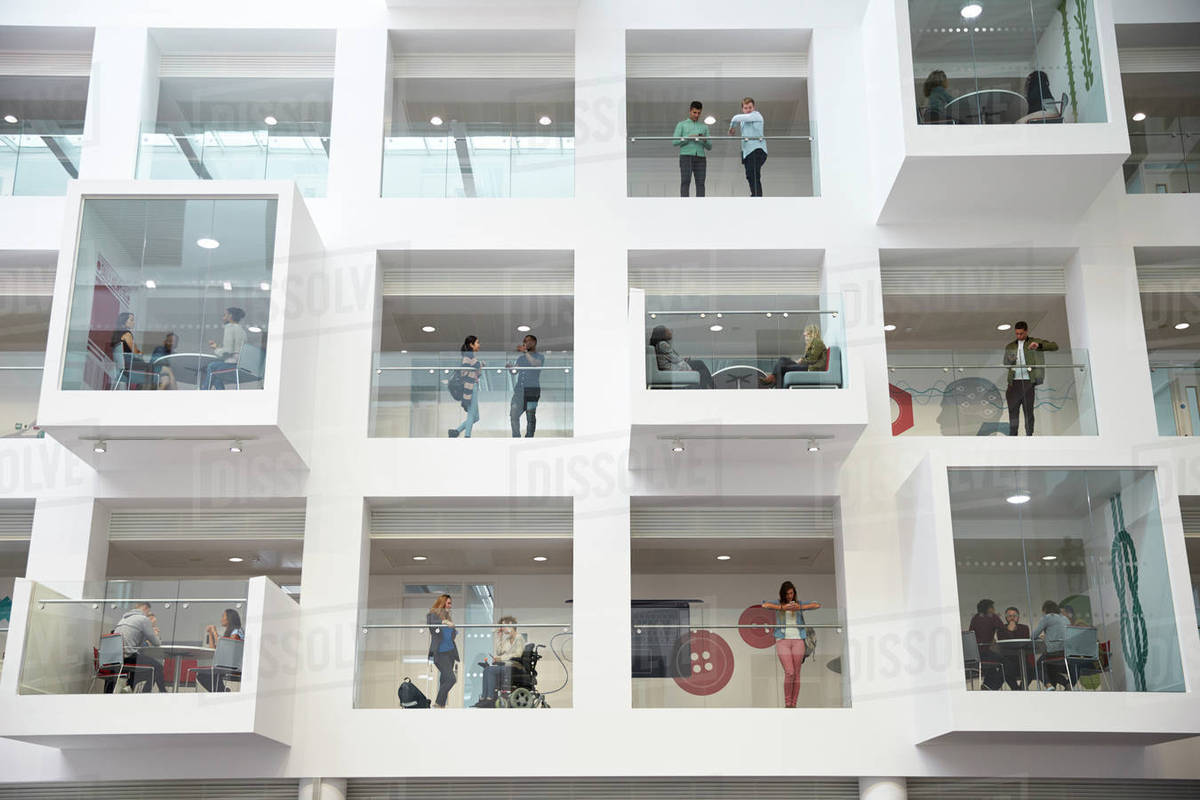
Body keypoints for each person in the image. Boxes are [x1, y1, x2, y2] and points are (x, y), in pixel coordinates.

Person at [761, 581, 821, 708]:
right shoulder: (779, 603)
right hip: (782, 640)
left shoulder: (798, 603)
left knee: (797, 673)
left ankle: (794, 704)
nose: (790, 596)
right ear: (783, 594)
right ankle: (787, 703)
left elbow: (817, 605)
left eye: (792, 593)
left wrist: (799, 608)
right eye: (787, 594)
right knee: (789, 672)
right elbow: (764, 604)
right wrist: (783, 608)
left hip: (798, 639)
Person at [1003, 321, 1058, 436]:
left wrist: (1039, 346)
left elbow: (1054, 346)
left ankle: (1029, 436)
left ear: (1026, 331)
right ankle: (1013, 437)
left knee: (1028, 412)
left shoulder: (1035, 341)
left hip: (1028, 382)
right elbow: (1005, 363)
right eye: (1017, 334)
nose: (1019, 336)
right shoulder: (1010, 346)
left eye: (1021, 333)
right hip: (1013, 383)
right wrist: (1010, 359)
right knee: (1013, 412)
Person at [105, 602, 166, 693]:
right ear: (145, 608)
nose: (147, 614)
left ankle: (129, 692)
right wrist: (155, 634)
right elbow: (156, 643)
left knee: (144, 670)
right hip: (128, 657)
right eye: (148, 612)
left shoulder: (123, 620)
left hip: (114, 659)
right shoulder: (143, 619)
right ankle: (160, 693)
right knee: (157, 667)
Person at [476, 615, 526, 707]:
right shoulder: (507, 640)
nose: (502, 628)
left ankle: (490, 698)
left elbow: (518, 654)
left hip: (515, 667)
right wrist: (499, 637)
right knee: (487, 670)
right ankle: (484, 697)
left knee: (490, 670)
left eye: (503, 626)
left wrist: (502, 658)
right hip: (506, 666)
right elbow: (499, 652)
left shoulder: (519, 638)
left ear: (510, 625)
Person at [761, 324, 827, 387]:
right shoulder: (814, 343)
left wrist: (801, 360)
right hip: (807, 366)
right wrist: (801, 360)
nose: (805, 338)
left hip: (811, 368)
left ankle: (777, 384)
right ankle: (773, 377)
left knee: (782, 368)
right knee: (782, 359)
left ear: (812, 334)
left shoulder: (817, 342)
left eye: (806, 335)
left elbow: (812, 360)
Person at [649, 325, 714, 389]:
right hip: (673, 369)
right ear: (662, 334)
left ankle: (706, 387)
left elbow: (673, 359)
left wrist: (684, 361)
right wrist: (685, 363)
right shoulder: (662, 344)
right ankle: (711, 386)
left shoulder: (660, 344)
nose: (670, 332)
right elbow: (676, 360)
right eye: (667, 331)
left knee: (701, 370)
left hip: (673, 367)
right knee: (700, 364)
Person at [195, 608, 244, 692]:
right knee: (202, 675)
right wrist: (210, 633)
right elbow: (213, 649)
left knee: (206, 675)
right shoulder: (229, 632)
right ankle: (223, 691)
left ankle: (222, 691)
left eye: (223, 616)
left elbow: (226, 646)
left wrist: (214, 631)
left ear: (229, 618)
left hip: (233, 665)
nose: (221, 619)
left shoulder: (237, 631)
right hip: (224, 664)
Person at [729, 97, 767, 196]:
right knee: (749, 175)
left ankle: (757, 196)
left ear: (754, 107)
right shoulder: (743, 121)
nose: (748, 110)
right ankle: (754, 194)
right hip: (747, 152)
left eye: (750, 107)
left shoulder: (756, 116)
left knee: (754, 173)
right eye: (746, 108)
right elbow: (740, 120)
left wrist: (732, 127)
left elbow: (735, 118)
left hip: (757, 149)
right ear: (743, 109)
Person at [426, 595, 459, 708]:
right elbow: (431, 624)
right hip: (439, 653)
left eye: (450, 603)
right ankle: (438, 703)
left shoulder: (448, 617)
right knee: (452, 679)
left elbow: (452, 634)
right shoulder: (432, 615)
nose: (450, 605)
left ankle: (442, 706)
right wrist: (445, 622)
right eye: (448, 603)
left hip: (450, 653)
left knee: (444, 679)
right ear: (442, 603)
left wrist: (452, 629)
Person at [673, 100, 711, 197]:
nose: (696, 115)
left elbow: (709, 146)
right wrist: (689, 137)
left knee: (701, 183)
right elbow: (675, 142)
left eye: (699, 113)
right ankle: (685, 206)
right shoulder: (681, 125)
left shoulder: (704, 127)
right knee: (685, 181)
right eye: (694, 112)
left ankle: (700, 207)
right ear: (690, 111)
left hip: (701, 157)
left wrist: (703, 140)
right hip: (686, 156)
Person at [203, 307, 247, 390]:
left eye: (224, 315)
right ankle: (221, 391)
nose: (222, 318)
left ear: (230, 316)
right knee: (215, 370)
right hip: (241, 363)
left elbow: (227, 351)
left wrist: (216, 348)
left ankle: (204, 391)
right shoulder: (242, 330)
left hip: (233, 363)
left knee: (211, 366)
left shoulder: (230, 327)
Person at [509, 334, 544, 438]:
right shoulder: (521, 358)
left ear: (534, 343)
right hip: (519, 390)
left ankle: (529, 438)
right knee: (513, 414)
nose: (525, 343)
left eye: (527, 341)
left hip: (533, 391)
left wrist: (526, 352)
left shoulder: (540, 356)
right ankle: (516, 437)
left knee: (530, 416)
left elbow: (536, 364)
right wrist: (511, 368)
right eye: (524, 341)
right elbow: (515, 372)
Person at [1032, 600, 1072, 690]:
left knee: (1038, 665)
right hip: (1066, 653)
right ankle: (1066, 683)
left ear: (1045, 610)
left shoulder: (1047, 617)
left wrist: (1042, 638)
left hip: (1053, 652)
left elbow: (1033, 636)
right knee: (1050, 669)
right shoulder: (1066, 619)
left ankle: (1048, 685)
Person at [966, 598, 1005, 690]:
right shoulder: (992, 617)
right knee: (1006, 663)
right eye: (993, 608)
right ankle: (991, 687)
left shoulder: (975, 618)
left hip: (975, 655)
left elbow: (971, 635)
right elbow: (1003, 630)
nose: (994, 610)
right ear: (989, 609)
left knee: (993, 666)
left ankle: (987, 686)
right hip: (985, 652)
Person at [449, 335, 483, 438]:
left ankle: (455, 432)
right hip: (470, 387)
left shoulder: (470, 356)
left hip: (472, 386)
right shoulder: (468, 356)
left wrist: (479, 365)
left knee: (476, 417)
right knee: (472, 414)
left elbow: (476, 369)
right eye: (477, 343)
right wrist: (480, 364)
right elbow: (471, 368)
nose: (479, 345)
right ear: (471, 345)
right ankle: (467, 436)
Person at [110, 312, 150, 389]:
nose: (133, 322)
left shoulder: (116, 333)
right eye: (131, 320)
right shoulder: (127, 334)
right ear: (124, 321)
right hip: (127, 363)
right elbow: (135, 352)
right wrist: (143, 354)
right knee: (150, 367)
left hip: (120, 365)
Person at [996, 606, 1032, 691]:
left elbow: (1023, 643)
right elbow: (1003, 644)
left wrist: (1012, 631)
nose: (1012, 618)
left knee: (1032, 670)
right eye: (1009, 616)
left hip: (1022, 659)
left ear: (1018, 617)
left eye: (1014, 616)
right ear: (1006, 618)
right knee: (1005, 668)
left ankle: (1022, 688)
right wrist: (1009, 631)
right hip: (1008, 660)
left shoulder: (1024, 628)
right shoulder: (1001, 629)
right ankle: (1016, 689)